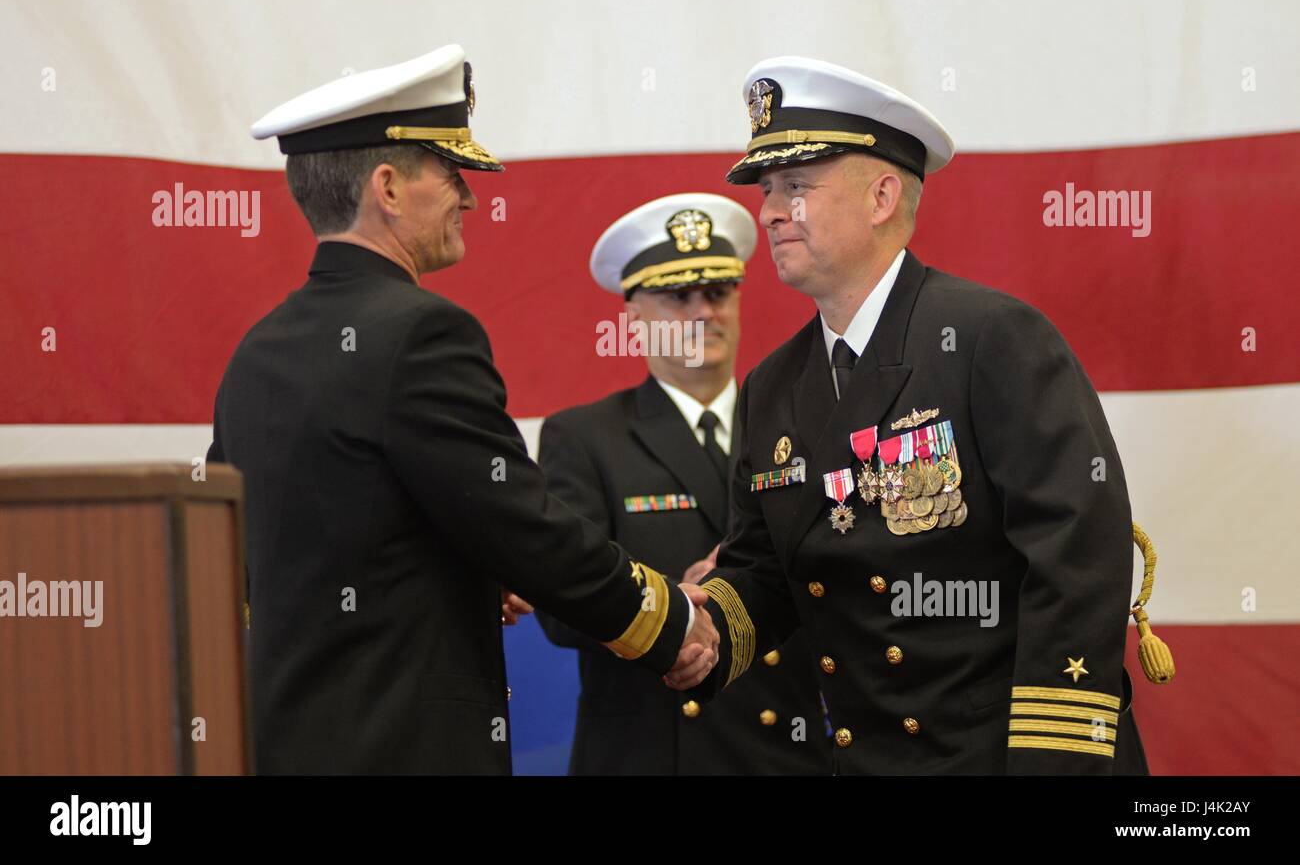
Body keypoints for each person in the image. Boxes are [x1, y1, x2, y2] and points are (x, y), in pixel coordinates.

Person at [206, 44, 716, 774]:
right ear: (386, 186)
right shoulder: (420, 334)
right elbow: (527, 527)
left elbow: (273, 557)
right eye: (451, 173)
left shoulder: (255, 353)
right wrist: (671, 623)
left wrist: (467, 569)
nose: (470, 198)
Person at [667, 56, 1148, 774]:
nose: (768, 211)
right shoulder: (773, 385)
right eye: (767, 190)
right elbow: (763, 570)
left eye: (795, 187)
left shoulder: (993, 338)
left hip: (1007, 758)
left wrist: (1053, 760)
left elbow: (1078, 556)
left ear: (882, 196)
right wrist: (695, 629)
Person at [537, 193, 831, 774]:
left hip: (787, 753)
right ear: (633, 317)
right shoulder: (584, 438)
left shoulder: (802, 423)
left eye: (718, 293)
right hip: (658, 754)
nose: (703, 313)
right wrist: (675, 603)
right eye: (678, 296)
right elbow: (560, 606)